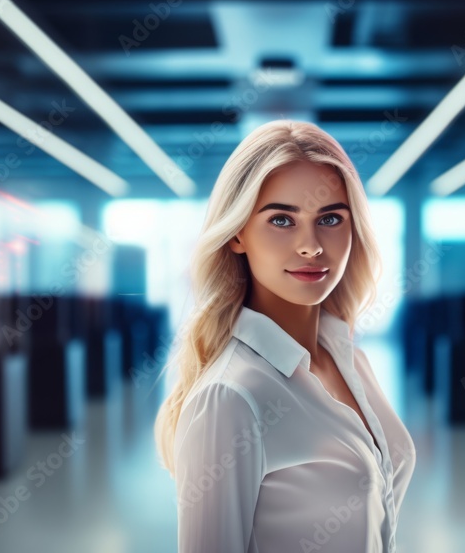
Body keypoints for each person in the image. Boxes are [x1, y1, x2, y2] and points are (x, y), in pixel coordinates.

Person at [154, 120, 416, 553]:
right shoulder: (231, 396)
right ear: (237, 233)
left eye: (330, 218)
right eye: (281, 219)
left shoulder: (350, 361)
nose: (311, 246)